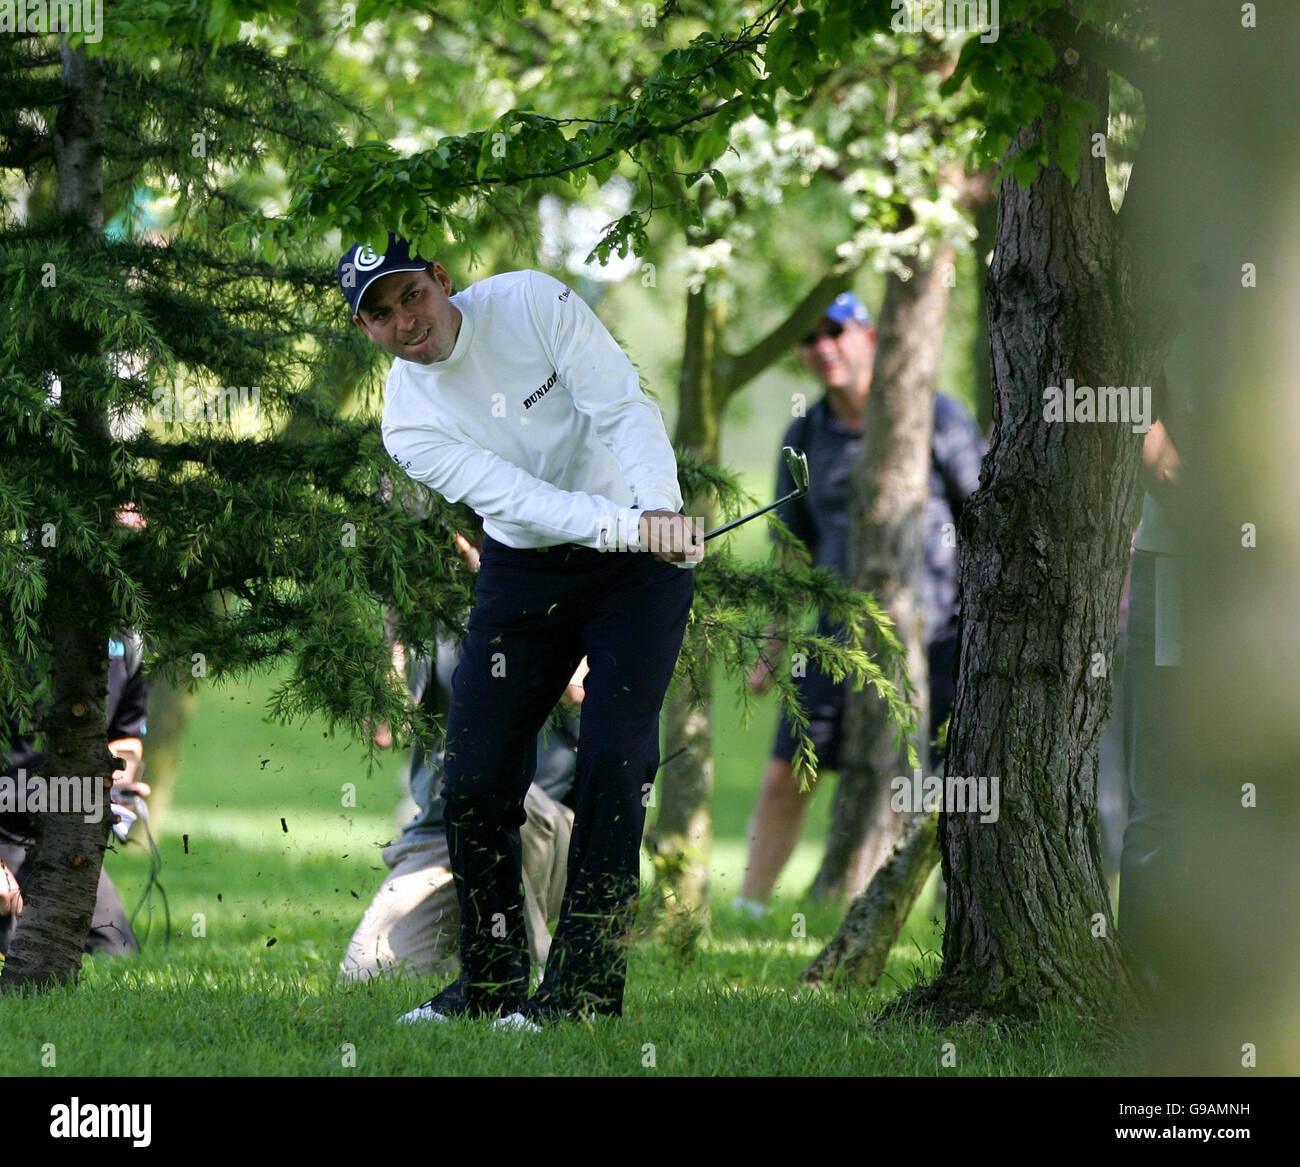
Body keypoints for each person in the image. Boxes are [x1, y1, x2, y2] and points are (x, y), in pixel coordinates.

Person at [339, 234, 701, 1026]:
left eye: (411, 295)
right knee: (471, 782)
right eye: (379, 314)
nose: (405, 320)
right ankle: (490, 985)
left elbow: (622, 405)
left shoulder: (534, 302)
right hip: (531, 565)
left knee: (615, 758)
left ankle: (581, 991)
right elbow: (518, 498)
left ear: (441, 280)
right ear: (365, 332)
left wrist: (659, 510)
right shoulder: (407, 423)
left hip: (642, 562)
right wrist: (630, 524)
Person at [735, 292, 986, 914]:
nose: (822, 349)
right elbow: (792, 548)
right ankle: (748, 907)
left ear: (871, 337)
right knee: (789, 770)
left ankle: (957, 915)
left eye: (836, 332)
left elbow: (983, 518)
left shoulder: (933, 416)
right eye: (809, 338)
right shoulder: (805, 433)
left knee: (956, 783)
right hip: (835, 638)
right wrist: (771, 649)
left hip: (940, 638)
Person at [340, 620, 582, 983]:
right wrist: (396, 636)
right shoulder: (432, 615)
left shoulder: (555, 597)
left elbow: (577, 694)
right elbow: (385, 732)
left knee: (505, 792)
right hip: (444, 833)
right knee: (366, 975)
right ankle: (472, 956)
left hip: (546, 825)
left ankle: (533, 969)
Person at [0, 631, 152, 956]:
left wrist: (114, 778)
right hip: (3, 828)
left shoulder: (128, 639)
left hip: (64, 832)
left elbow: (126, 738)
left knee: (114, 952)